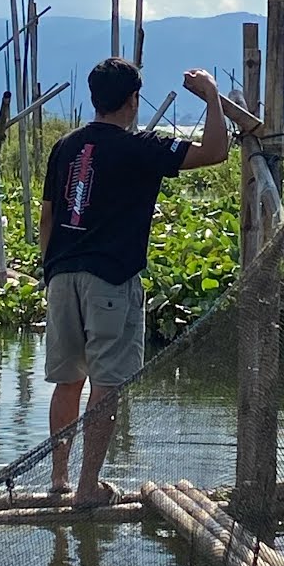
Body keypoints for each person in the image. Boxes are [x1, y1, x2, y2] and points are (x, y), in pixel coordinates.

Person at [39, 58, 227, 507]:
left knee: (68, 382)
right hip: (111, 279)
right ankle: (88, 488)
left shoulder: (66, 146)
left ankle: (59, 479)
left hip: (62, 276)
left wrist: (51, 269)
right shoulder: (140, 147)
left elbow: (48, 216)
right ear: (131, 101)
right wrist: (214, 97)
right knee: (106, 383)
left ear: (94, 98)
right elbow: (215, 151)